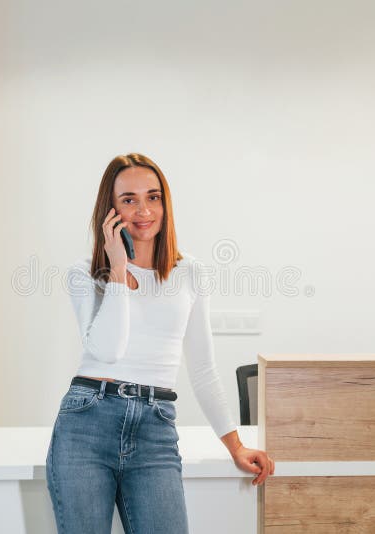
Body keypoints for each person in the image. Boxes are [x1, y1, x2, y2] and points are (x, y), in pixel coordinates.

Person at [46, 153, 274, 534]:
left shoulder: (189, 272)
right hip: (87, 423)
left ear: (165, 205)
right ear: (110, 210)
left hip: (155, 427)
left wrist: (235, 446)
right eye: (129, 199)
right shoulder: (85, 273)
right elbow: (108, 351)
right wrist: (118, 269)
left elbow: (202, 369)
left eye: (153, 197)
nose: (143, 210)